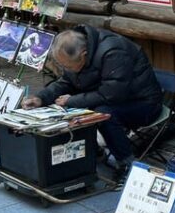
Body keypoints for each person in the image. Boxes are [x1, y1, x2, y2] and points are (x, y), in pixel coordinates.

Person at [21, 26, 163, 176]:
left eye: (67, 66)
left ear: (84, 55)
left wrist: (72, 100)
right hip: (113, 99)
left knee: (102, 114)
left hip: (144, 103)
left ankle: (127, 163)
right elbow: (66, 82)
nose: (65, 69)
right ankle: (92, 153)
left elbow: (112, 95)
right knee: (74, 111)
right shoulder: (79, 53)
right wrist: (41, 98)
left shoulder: (113, 52)